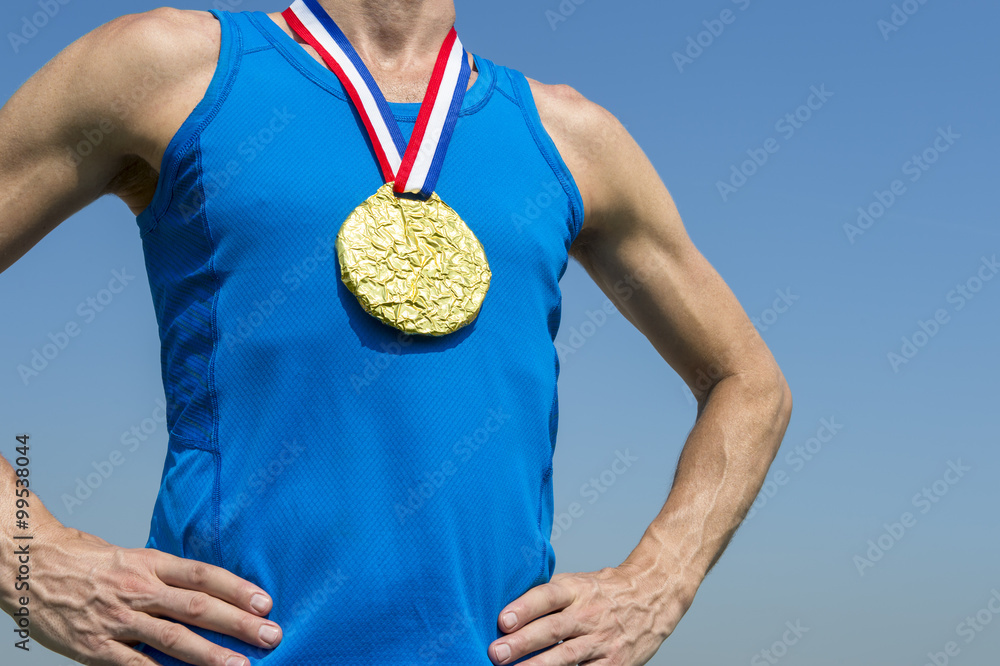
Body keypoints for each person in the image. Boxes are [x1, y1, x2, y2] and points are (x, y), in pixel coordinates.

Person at [0, 1, 793, 664]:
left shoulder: (572, 138)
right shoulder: (168, 68)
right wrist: (32, 560)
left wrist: (660, 580)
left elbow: (749, 383)